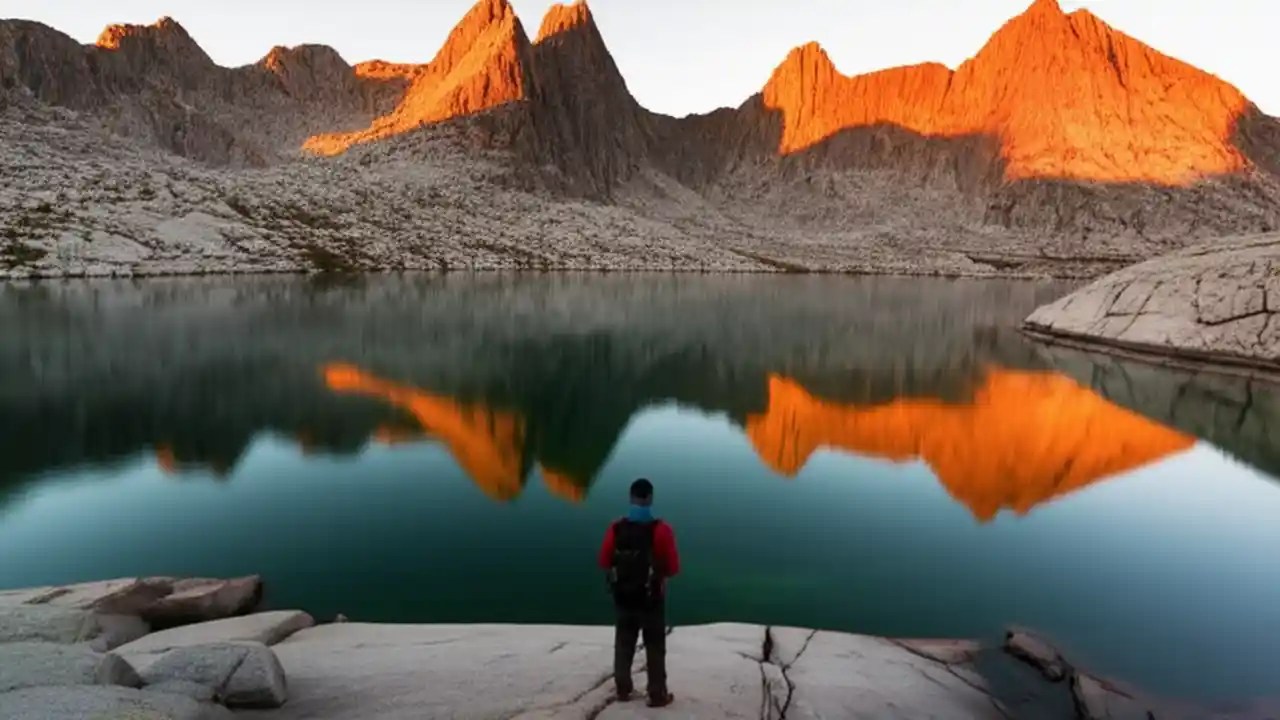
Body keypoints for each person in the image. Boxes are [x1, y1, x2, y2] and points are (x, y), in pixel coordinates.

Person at [598, 478, 680, 708]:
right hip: (652, 598)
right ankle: (656, 694)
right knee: (654, 645)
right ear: (650, 499)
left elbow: (604, 560)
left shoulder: (616, 528)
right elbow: (673, 568)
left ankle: (623, 690)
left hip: (623, 596)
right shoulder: (662, 530)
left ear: (631, 498)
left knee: (624, 643)